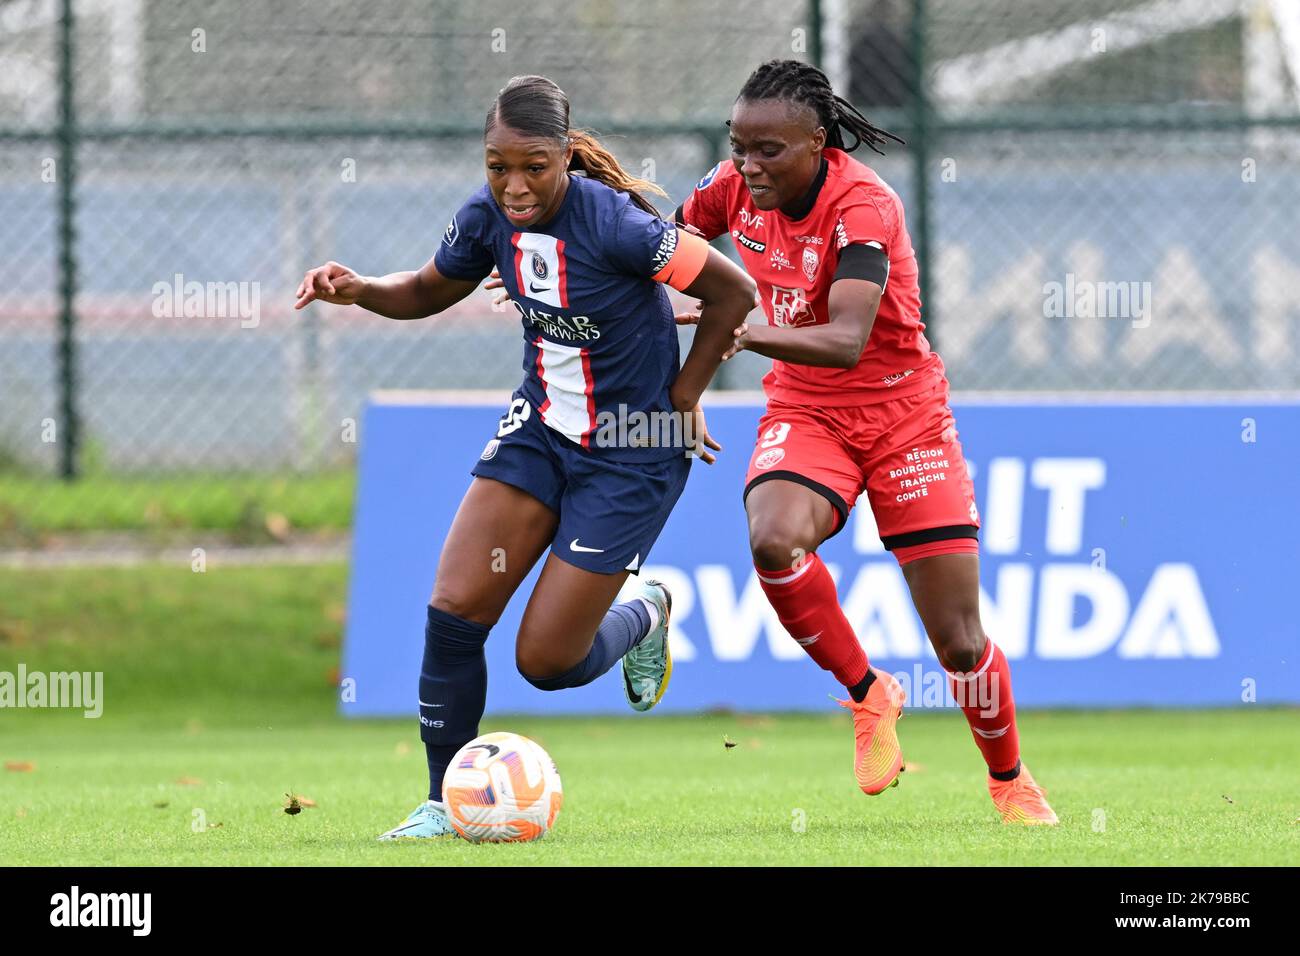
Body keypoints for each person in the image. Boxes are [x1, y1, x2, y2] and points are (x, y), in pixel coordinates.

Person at [294, 74, 756, 839]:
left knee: (545, 663)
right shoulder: (486, 217)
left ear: (566, 158)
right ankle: (444, 802)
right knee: (453, 609)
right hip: (541, 431)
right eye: (496, 165)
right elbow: (427, 289)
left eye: (532, 166)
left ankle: (643, 616)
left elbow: (733, 292)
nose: (512, 185)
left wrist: (683, 396)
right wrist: (361, 290)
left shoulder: (621, 226)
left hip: (632, 451)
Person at [674, 59, 1058, 825]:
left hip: (903, 415)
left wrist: (739, 331)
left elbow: (849, 339)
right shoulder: (729, 189)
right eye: (738, 145)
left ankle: (1011, 780)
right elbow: (664, 249)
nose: (748, 166)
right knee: (774, 538)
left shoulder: (864, 206)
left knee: (955, 640)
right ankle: (867, 693)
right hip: (807, 410)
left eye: (768, 150)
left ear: (818, 143)